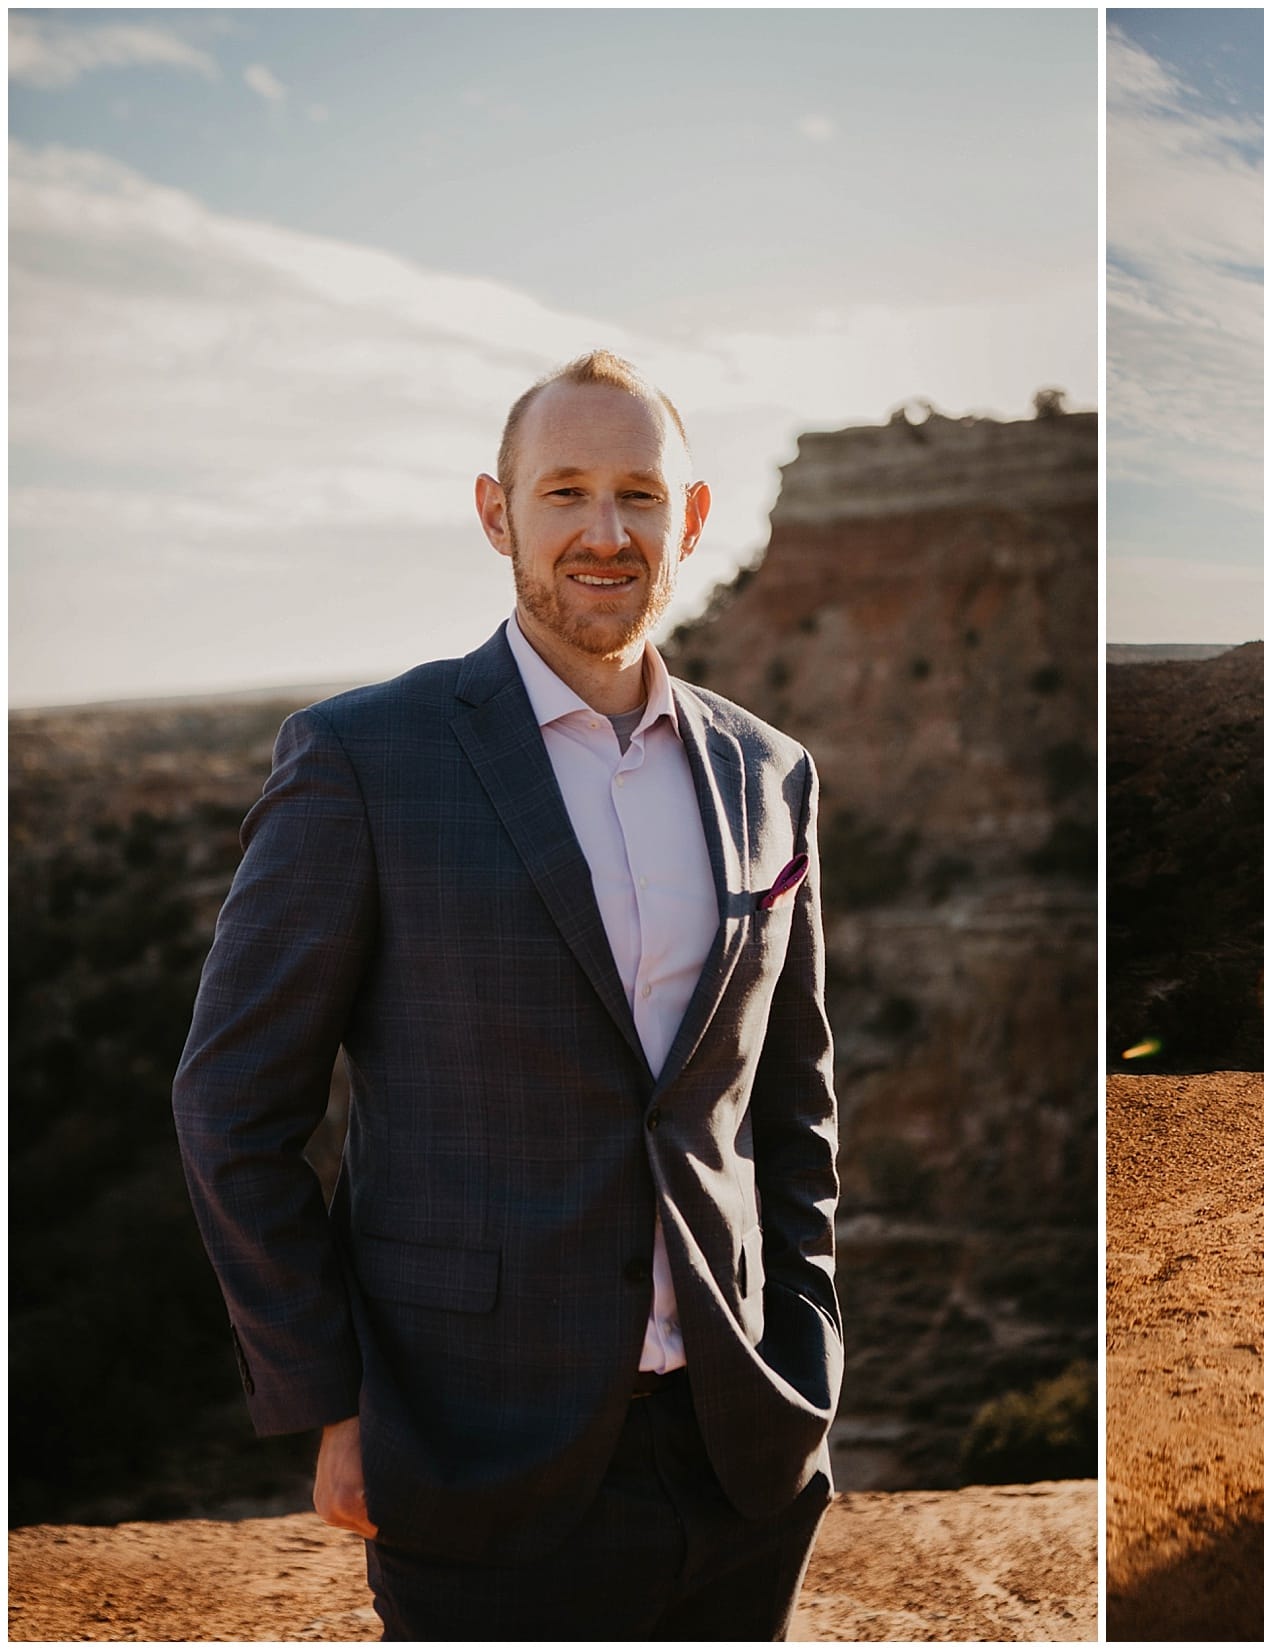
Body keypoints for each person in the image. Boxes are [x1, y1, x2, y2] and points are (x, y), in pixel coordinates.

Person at [173, 350, 841, 1639]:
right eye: (566, 493)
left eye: (641, 496)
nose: (606, 533)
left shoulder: (773, 773)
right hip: (475, 1458)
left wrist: (803, 1342)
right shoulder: (363, 759)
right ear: (498, 514)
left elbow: (792, 1097)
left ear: (691, 520)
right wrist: (332, 1398)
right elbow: (231, 1111)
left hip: (742, 1454)